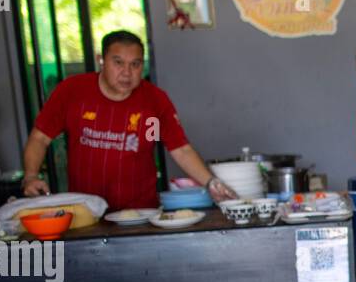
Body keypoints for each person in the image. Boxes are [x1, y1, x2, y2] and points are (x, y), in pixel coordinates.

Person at [21, 30, 235, 210]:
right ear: (101, 61)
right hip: (85, 211)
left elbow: (180, 149)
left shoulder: (154, 100)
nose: (127, 73)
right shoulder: (72, 92)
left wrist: (211, 183)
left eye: (135, 64)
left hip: (140, 212)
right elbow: (40, 138)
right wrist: (30, 177)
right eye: (118, 63)